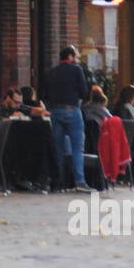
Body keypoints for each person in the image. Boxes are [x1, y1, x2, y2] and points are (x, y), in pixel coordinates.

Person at [44, 45, 92, 192]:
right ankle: (80, 181)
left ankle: (59, 182)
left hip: (55, 111)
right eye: (76, 56)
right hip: (72, 109)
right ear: (70, 57)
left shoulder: (52, 72)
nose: (77, 60)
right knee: (77, 148)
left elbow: (45, 94)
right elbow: (84, 92)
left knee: (58, 148)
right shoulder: (76, 70)